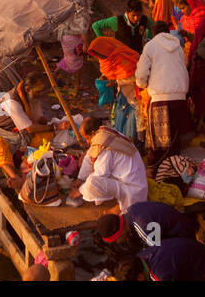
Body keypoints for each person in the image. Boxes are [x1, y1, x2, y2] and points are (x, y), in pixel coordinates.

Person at [135, 30, 190, 168]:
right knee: (175, 141)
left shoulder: (151, 46)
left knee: (159, 144)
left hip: (161, 98)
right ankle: (175, 170)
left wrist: (142, 85)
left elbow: (141, 74)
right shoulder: (178, 47)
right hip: (180, 97)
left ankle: (160, 172)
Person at [71, 125, 148, 211]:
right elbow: (89, 156)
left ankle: (119, 207)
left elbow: (100, 175)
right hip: (137, 182)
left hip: (132, 190)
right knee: (92, 174)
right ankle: (119, 202)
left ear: (93, 133)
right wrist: (80, 179)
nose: (87, 142)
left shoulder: (104, 144)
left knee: (92, 181)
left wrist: (80, 191)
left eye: (87, 138)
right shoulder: (106, 134)